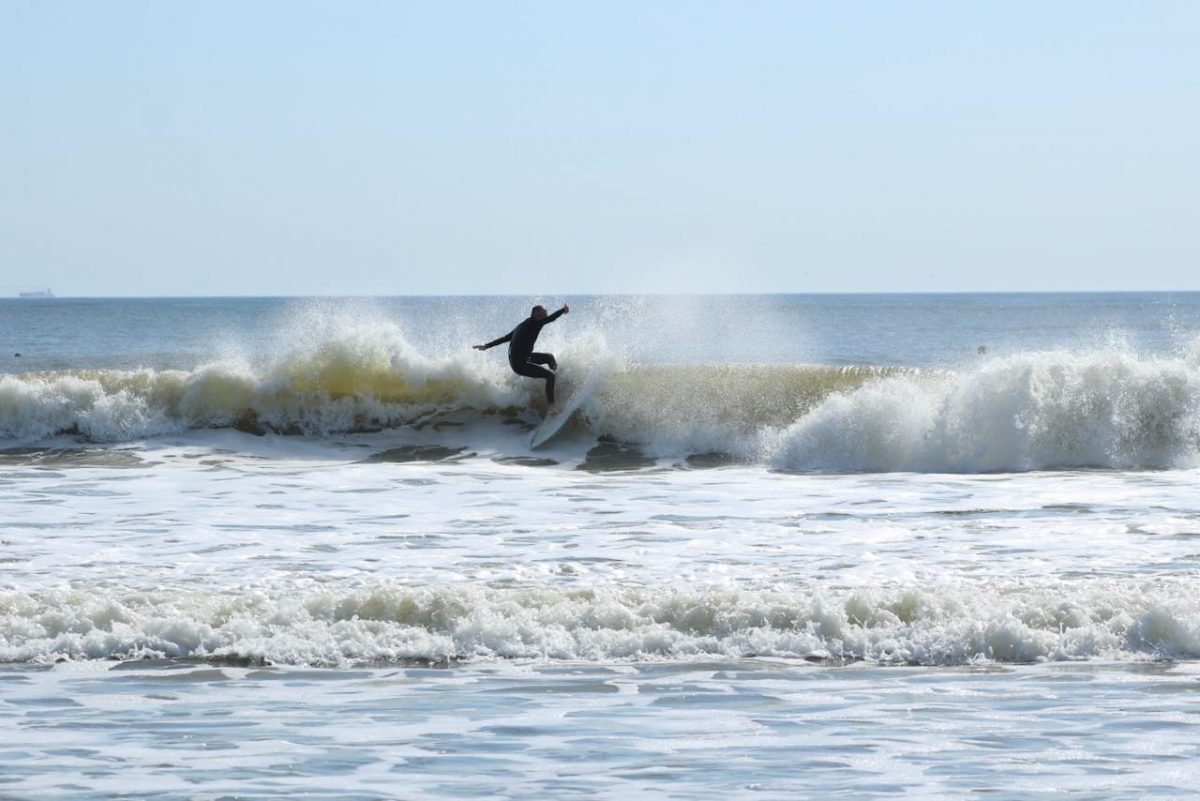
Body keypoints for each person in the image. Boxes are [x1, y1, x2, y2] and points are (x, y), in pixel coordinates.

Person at [475, 304, 569, 407]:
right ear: (536, 314)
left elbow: (505, 338)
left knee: (549, 357)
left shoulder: (523, 324)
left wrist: (486, 346)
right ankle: (552, 407)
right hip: (520, 365)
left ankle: (558, 379)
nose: (546, 314)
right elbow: (552, 318)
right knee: (550, 376)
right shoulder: (535, 322)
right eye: (544, 312)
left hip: (522, 358)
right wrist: (563, 310)